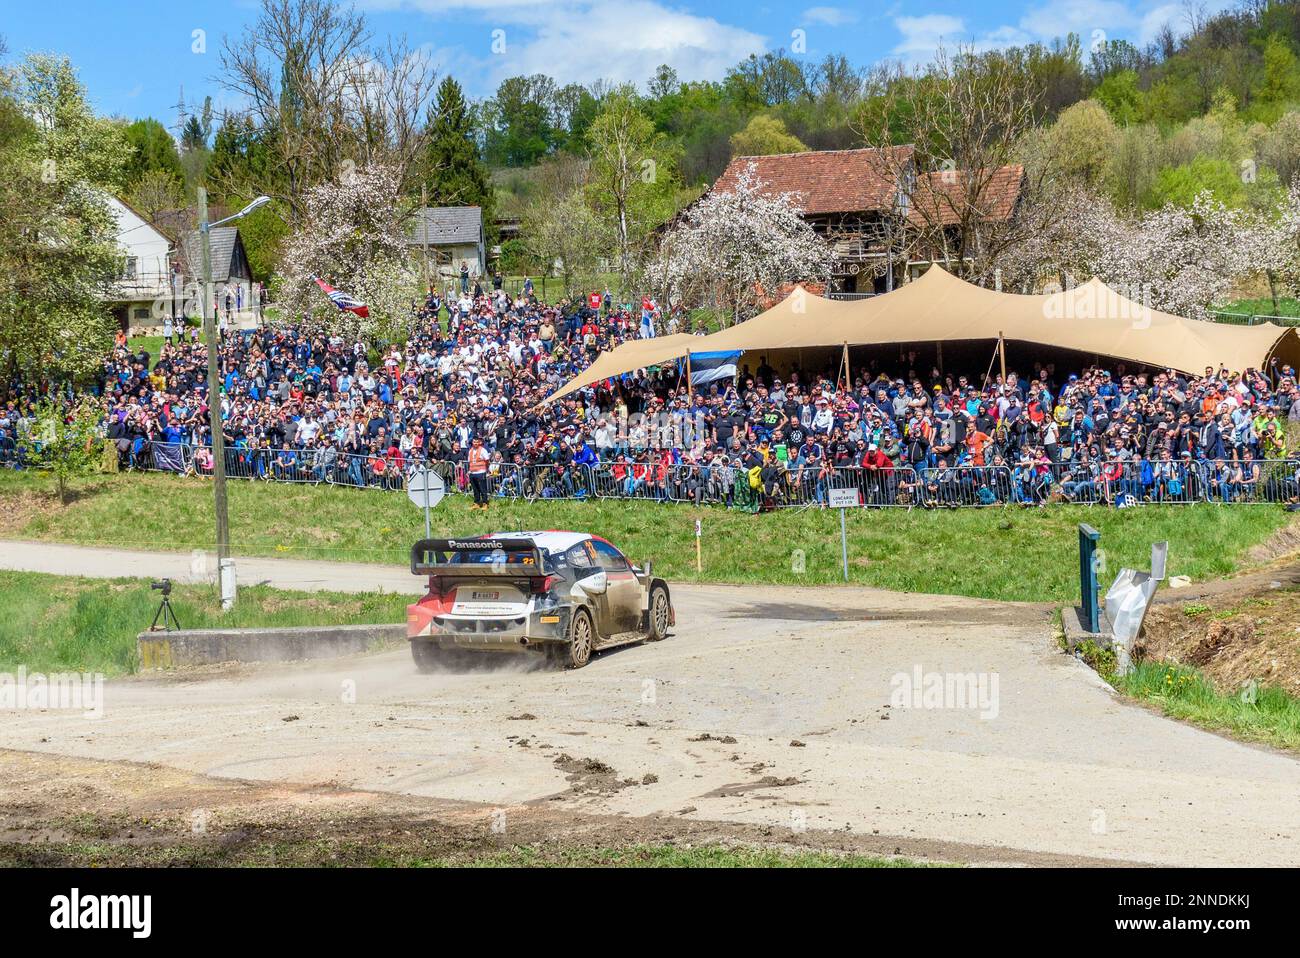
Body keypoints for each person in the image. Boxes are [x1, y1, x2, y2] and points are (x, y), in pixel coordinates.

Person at [467, 435, 491, 510]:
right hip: (472, 473)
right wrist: (469, 471)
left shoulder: (483, 450)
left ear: (479, 442)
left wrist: (486, 469)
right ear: (472, 442)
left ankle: (485, 503)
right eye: (474, 442)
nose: (475, 443)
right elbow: (469, 462)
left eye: (477, 442)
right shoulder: (470, 450)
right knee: (475, 489)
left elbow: (487, 460)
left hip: (481, 472)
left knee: (483, 489)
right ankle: (476, 503)